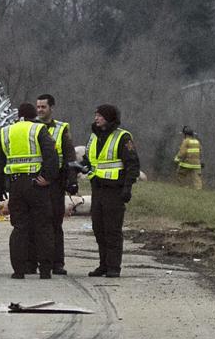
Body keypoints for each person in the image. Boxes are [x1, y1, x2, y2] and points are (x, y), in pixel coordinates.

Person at [0, 102, 58, 280]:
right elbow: (51, 155)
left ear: (18, 116)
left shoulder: (6, 132)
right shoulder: (38, 129)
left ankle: (19, 270)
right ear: (33, 115)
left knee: (19, 227)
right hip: (36, 184)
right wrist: (48, 177)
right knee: (43, 226)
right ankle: (45, 270)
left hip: (16, 185)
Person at [84, 103, 140, 278]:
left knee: (112, 230)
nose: (96, 118)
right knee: (98, 228)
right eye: (96, 115)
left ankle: (114, 267)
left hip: (114, 190)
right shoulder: (94, 137)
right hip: (97, 189)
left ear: (109, 118)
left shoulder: (123, 137)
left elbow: (132, 164)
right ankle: (104, 265)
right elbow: (89, 159)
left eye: (100, 115)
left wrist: (127, 188)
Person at [35, 93, 75, 275]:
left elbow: (69, 156)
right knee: (37, 223)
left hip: (55, 183)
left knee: (55, 223)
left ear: (51, 108)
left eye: (43, 107)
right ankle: (37, 260)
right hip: (36, 181)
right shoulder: (31, 127)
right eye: (38, 107)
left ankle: (57, 263)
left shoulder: (61, 129)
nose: (40, 110)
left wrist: (71, 181)